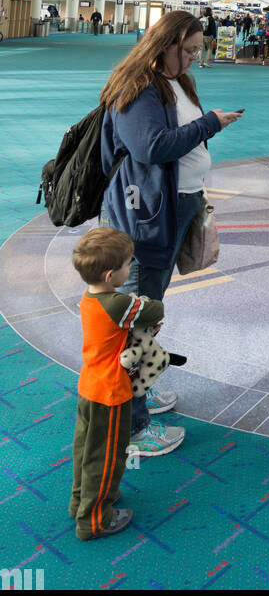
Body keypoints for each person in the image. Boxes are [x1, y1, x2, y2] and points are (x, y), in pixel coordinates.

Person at [100, 10, 242, 455]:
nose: (195, 59)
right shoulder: (137, 87)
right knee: (136, 317)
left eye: (199, 50)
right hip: (144, 216)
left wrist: (204, 130)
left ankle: (140, 393)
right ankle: (133, 429)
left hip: (170, 208)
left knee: (149, 309)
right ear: (165, 45)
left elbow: (176, 139)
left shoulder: (174, 82)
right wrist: (209, 124)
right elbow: (150, 146)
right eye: (190, 50)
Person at [69, 227, 164, 539]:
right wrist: (145, 305)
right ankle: (94, 520)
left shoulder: (91, 298)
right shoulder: (118, 304)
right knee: (107, 457)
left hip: (89, 386)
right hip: (111, 393)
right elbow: (155, 308)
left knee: (85, 449)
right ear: (111, 275)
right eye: (127, 264)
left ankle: (80, 501)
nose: (130, 268)